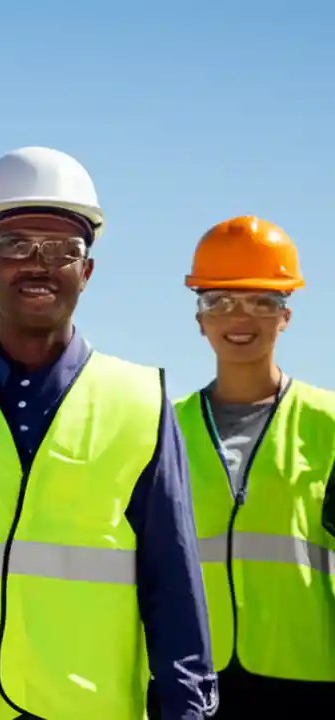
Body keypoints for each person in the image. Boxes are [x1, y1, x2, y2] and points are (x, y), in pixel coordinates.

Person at [0, 146, 218, 719]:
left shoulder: (139, 401)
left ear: (87, 271)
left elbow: (174, 588)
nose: (39, 264)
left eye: (64, 249)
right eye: (15, 245)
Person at [173, 215, 335, 717]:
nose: (238, 318)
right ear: (199, 319)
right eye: (218, 301)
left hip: (306, 679)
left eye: (262, 301)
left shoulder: (329, 423)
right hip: (188, 678)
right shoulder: (162, 429)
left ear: (286, 315)